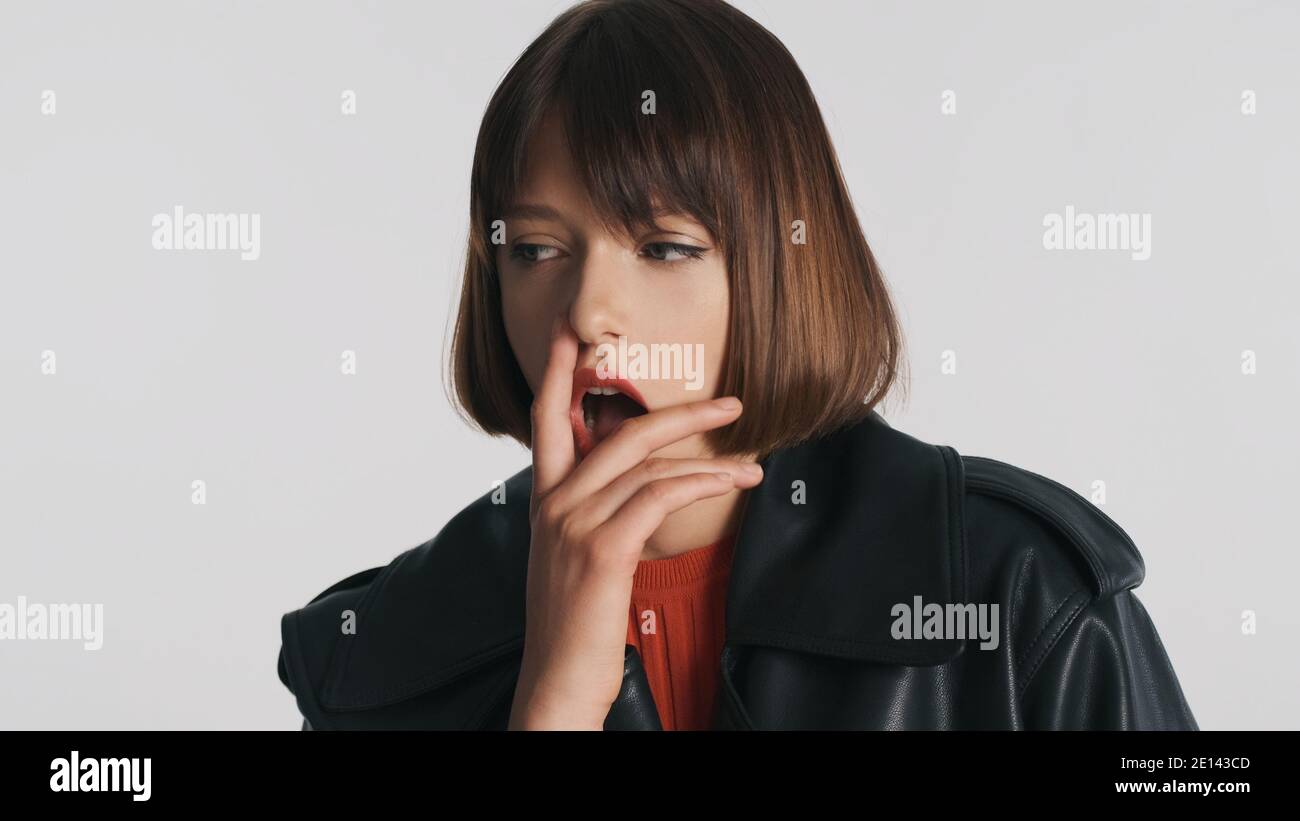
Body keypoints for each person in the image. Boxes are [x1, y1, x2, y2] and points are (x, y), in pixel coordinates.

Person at [277, 0, 1198, 731]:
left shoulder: (1016, 591)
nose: (590, 310)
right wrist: (552, 706)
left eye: (666, 247)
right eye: (535, 250)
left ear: (780, 266)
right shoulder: (383, 656)